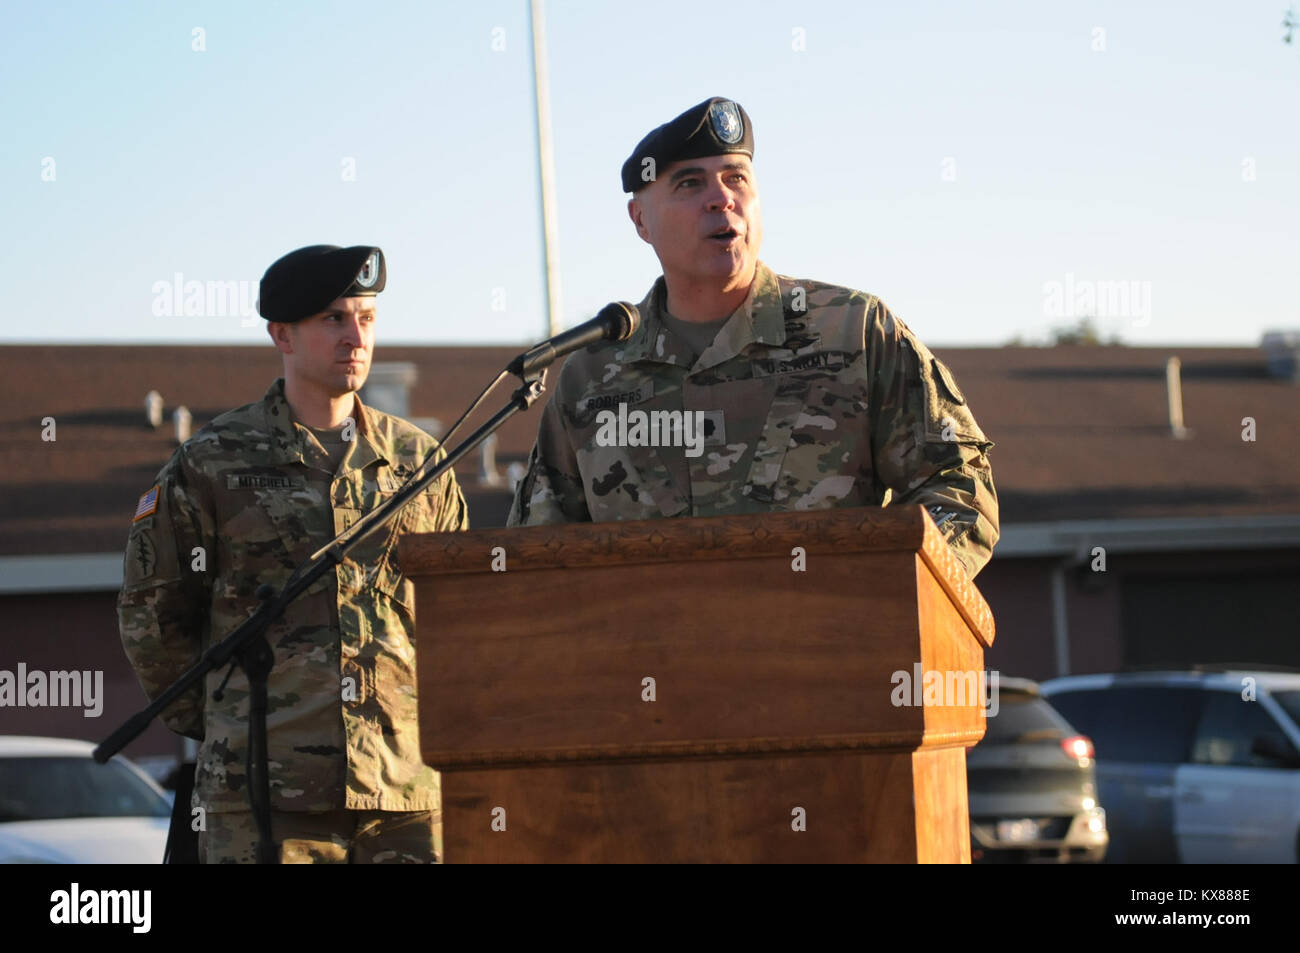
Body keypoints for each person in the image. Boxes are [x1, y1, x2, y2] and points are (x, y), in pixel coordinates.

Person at [507, 97, 999, 579]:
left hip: (833, 650)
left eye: (735, 178)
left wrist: (886, 595)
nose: (721, 197)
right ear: (640, 221)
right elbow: (538, 554)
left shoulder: (854, 332)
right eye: (689, 183)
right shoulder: (592, 377)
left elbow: (958, 487)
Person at [118, 245, 469, 863]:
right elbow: (154, 615)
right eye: (334, 319)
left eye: (366, 317)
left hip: (403, 792)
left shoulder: (419, 464)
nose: (355, 337)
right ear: (282, 333)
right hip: (264, 796)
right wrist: (228, 723)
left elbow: (462, 613)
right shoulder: (214, 462)